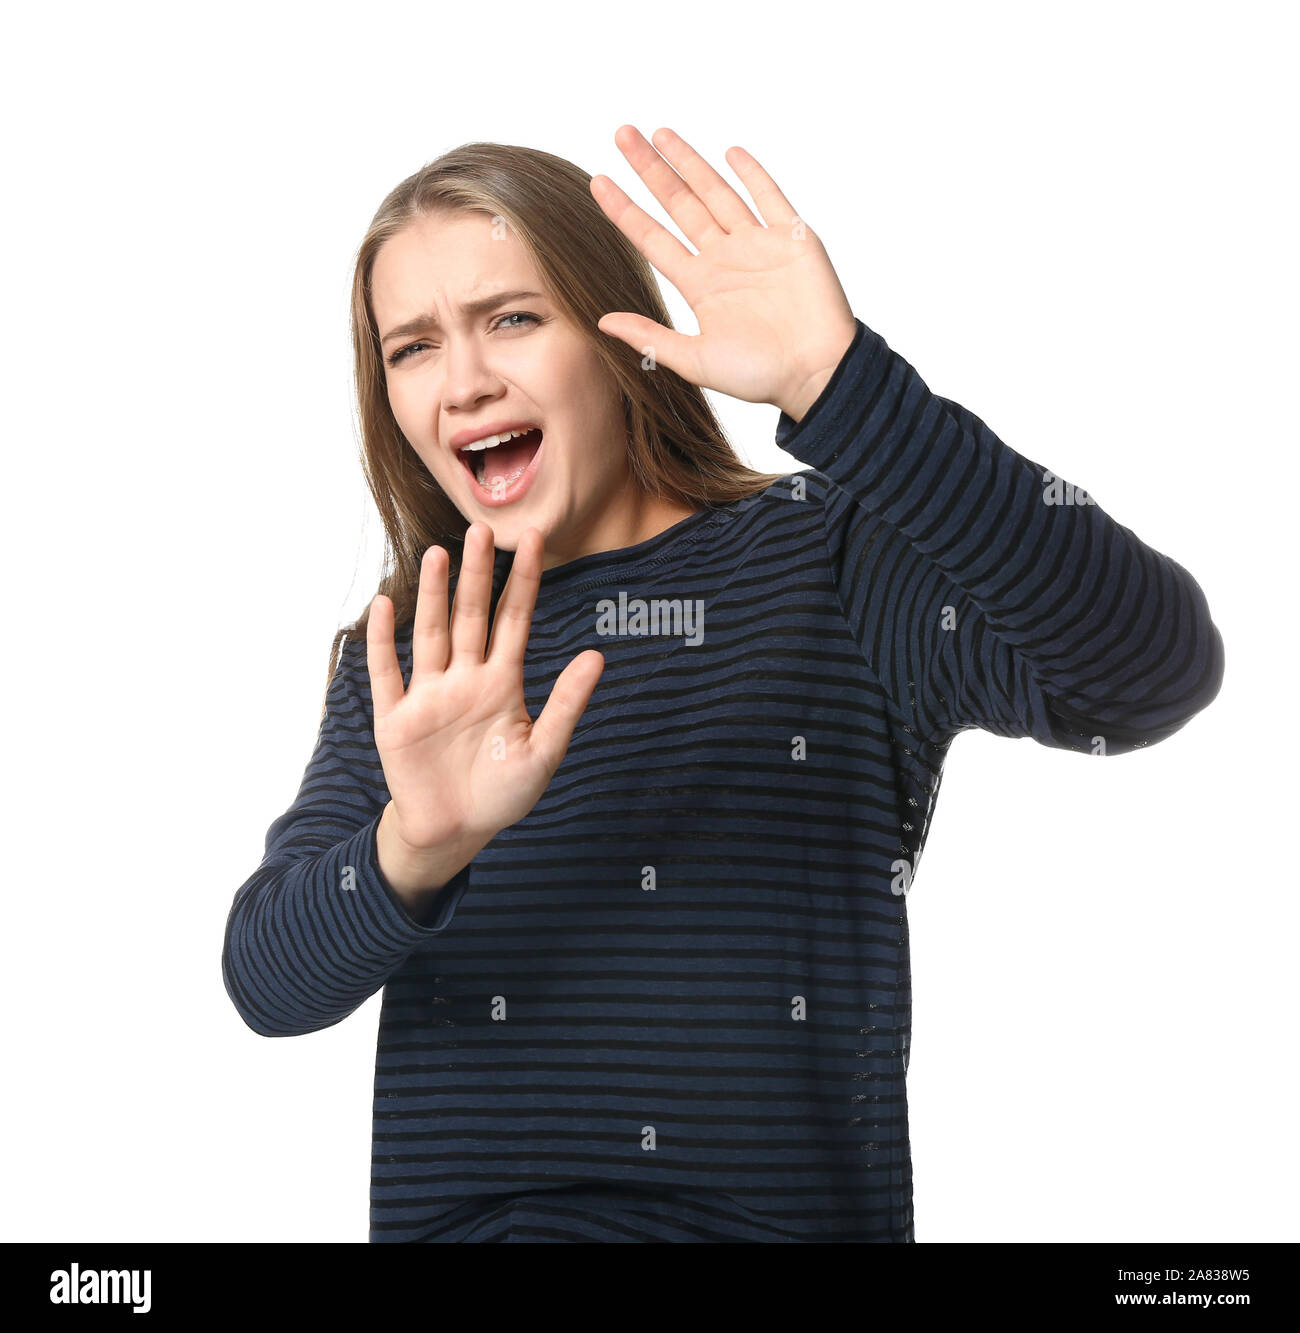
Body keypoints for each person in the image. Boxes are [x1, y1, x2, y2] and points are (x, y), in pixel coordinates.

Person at [221, 126, 1225, 1243]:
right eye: (413, 346)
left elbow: (1153, 670)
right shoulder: (417, 648)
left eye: (512, 319)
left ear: (619, 334)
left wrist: (845, 389)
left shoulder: (824, 560)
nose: (463, 383)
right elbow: (268, 983)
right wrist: (418, 844)